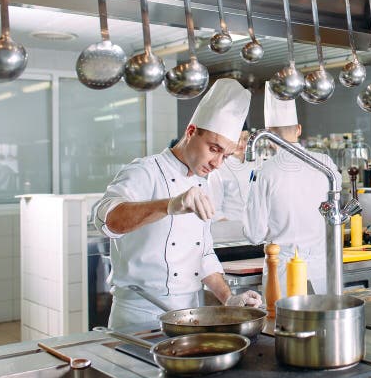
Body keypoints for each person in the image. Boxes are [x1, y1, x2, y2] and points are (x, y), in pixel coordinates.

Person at [92, 79, 262, 329]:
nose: (217, 163)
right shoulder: (145, 171)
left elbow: (202, 253)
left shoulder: (204, 183)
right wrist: (169, 205)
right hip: (140, 317)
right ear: (191, 131)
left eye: (225, 155)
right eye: (214, 149)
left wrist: (229, 297)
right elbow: (105, 220)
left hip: (189, 316)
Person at [245, 81, 341, 295]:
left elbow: (253, 234)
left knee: (285, 326)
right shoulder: (325, 162)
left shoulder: (265, 172)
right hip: (324, 271)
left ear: (268, 135)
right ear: (299, 129)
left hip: (284, 274)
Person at [210, 121, 257, 243]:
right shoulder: (218, 167)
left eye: (245, 138)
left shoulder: (257, 163)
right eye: (237, 139)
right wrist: (232, 228)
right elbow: (214, 209)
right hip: (228, 232)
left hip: (255, 229)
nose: (242, 144)